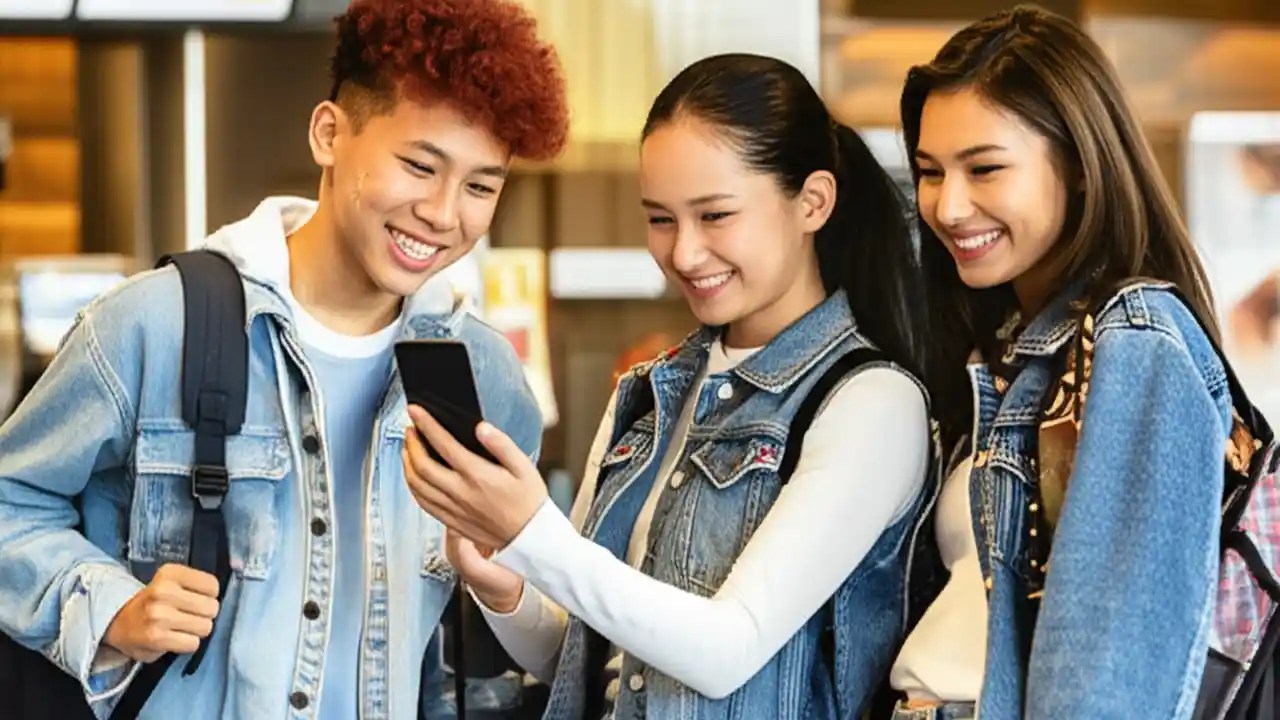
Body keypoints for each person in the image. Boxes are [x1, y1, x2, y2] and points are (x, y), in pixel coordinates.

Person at [0, 0, 567, 717]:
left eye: (481, 185)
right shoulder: (156, 324)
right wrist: (110, 608)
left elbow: (533, 625)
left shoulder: (484, 376)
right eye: (420, 166)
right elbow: (10, 500)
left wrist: (508, 591)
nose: (445, 212)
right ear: (330, 133)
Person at [403, 53, 937, 718]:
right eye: (660, 219)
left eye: (715, 216)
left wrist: (535, 534)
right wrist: (505, 584)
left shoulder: (872, 403)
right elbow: (592, 659)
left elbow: (726, 651)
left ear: (813, 202)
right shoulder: (648, 394)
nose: (682, 253)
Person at [886, 6, 1236, 719]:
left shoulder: (1134, 342)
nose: (949, 206)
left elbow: (1109, 678)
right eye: (929, 172)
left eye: (985, 168)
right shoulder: (1008, 349)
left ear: (1079, 166)